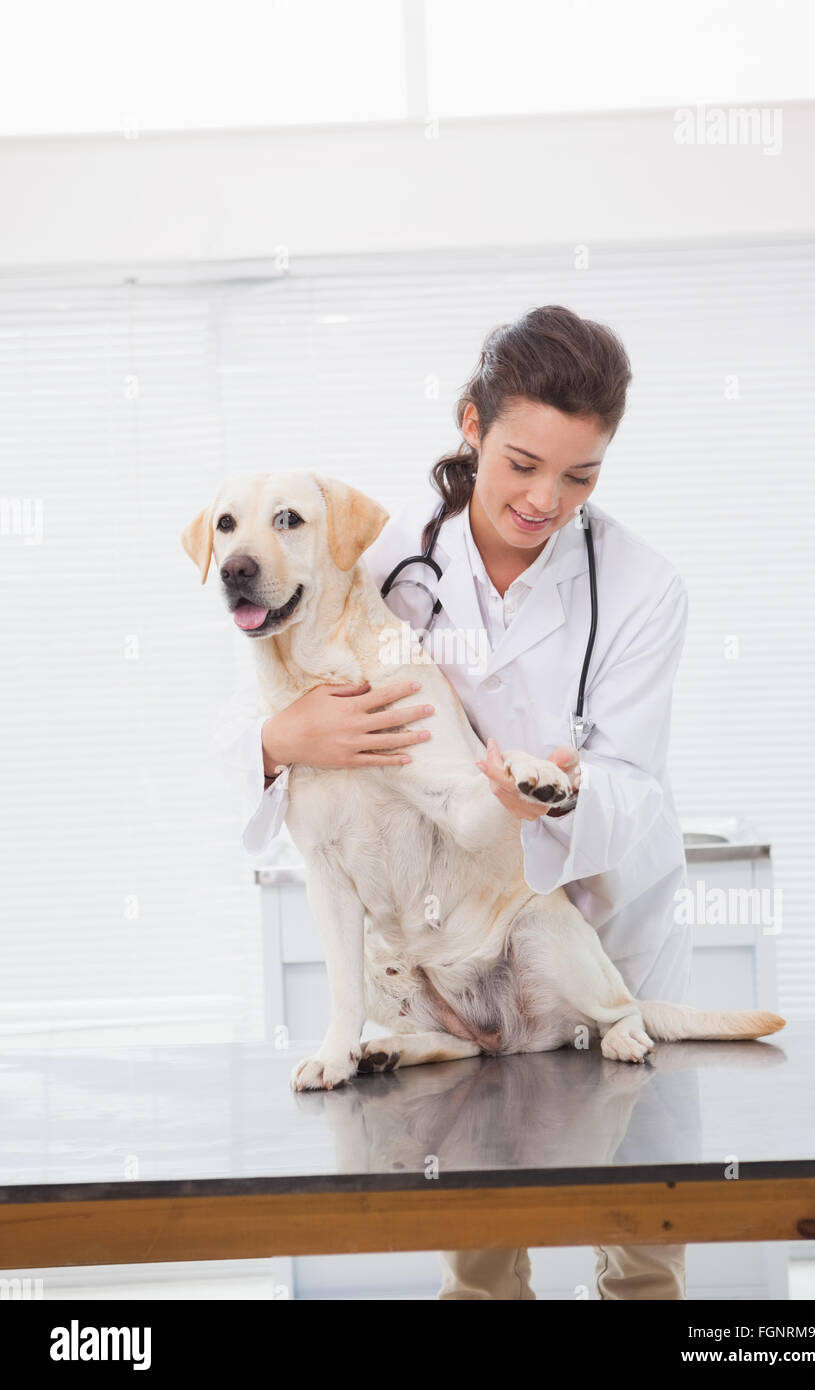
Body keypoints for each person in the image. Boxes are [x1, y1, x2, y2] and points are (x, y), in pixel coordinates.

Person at [212, 305, 692, 1299]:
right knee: (478, 1257)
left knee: (641, 1241)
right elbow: (276, 676)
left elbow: (632, 784)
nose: (544, 498)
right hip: (438, 955)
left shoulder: (641, 587)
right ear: (469, 424)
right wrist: (276, 742)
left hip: (599, 921)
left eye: (579, 474)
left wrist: (554, 798)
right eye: (521, 462)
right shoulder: (375, 554)